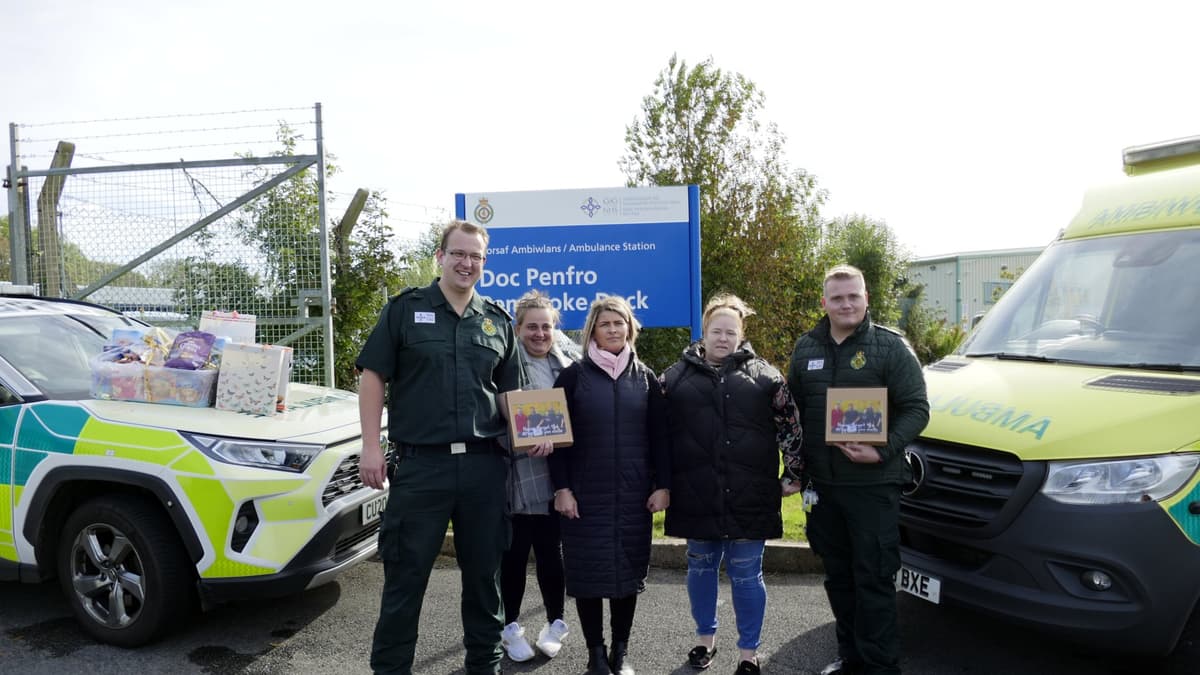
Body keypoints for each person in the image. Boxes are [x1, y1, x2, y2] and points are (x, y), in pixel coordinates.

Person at [357, 219, 523, 675]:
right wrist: (371, 447)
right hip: (420, 468)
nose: (467, 263)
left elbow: (510, 396)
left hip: (483, 469)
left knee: (485, 581)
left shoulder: (497, 321)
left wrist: (538, 433)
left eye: (476, 256)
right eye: (459, 254)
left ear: (484, 263)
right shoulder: (405, 311)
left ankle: (483, 667)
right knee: (404, 579)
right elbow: (372, 376)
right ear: (441, 256)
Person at [786, 265, 930, 675]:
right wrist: (794, 469)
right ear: (824, 302)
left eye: (854, 296)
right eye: (838, 297)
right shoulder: (806, 348)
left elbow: (918, 409)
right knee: (839, 578)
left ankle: (880, 665)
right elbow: (793, 414)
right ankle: (849, 657)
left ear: (866, 298)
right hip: (823, 489)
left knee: (874, 579)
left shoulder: (890, 347)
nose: (846, 304)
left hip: (872, 486)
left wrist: (881, 450)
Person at [660, 294, 804, 675]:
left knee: (746, 572)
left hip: (749, 493)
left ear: (741, 336)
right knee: (701, 568)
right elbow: (653, 431)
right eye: (716, 331)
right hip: (696, 491)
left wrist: (793, 472)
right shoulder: (673, 378)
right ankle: (705, 641)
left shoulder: (767, 377)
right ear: (703, 332)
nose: (723, 338)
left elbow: (790, 424)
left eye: (731, 332)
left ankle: (747, 652)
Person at [548, 295, 671, 675]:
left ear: (630, 327)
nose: (613, 329)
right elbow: (557, 440)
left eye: (619, 323)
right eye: (606, 324)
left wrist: (662, 485)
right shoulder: (571, 377)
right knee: (587, 577)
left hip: (634, 496)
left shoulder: (647, 378)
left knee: (626, 577)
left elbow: (660, 439)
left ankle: (621, 653)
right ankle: (595, 653)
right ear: (593, 331)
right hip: (585, 496)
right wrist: (562, 488)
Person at [499, 291, 576, 663]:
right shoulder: (504, 365)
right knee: (514, 556)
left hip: (558, 476)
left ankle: (555, 623)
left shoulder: (570, 365)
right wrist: (522, 441)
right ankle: (510, 627)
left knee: (552, 555)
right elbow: (495, 417)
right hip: (517, 475)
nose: (540, 333)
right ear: (518, 328)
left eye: (546, 326)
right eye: (532, 326)